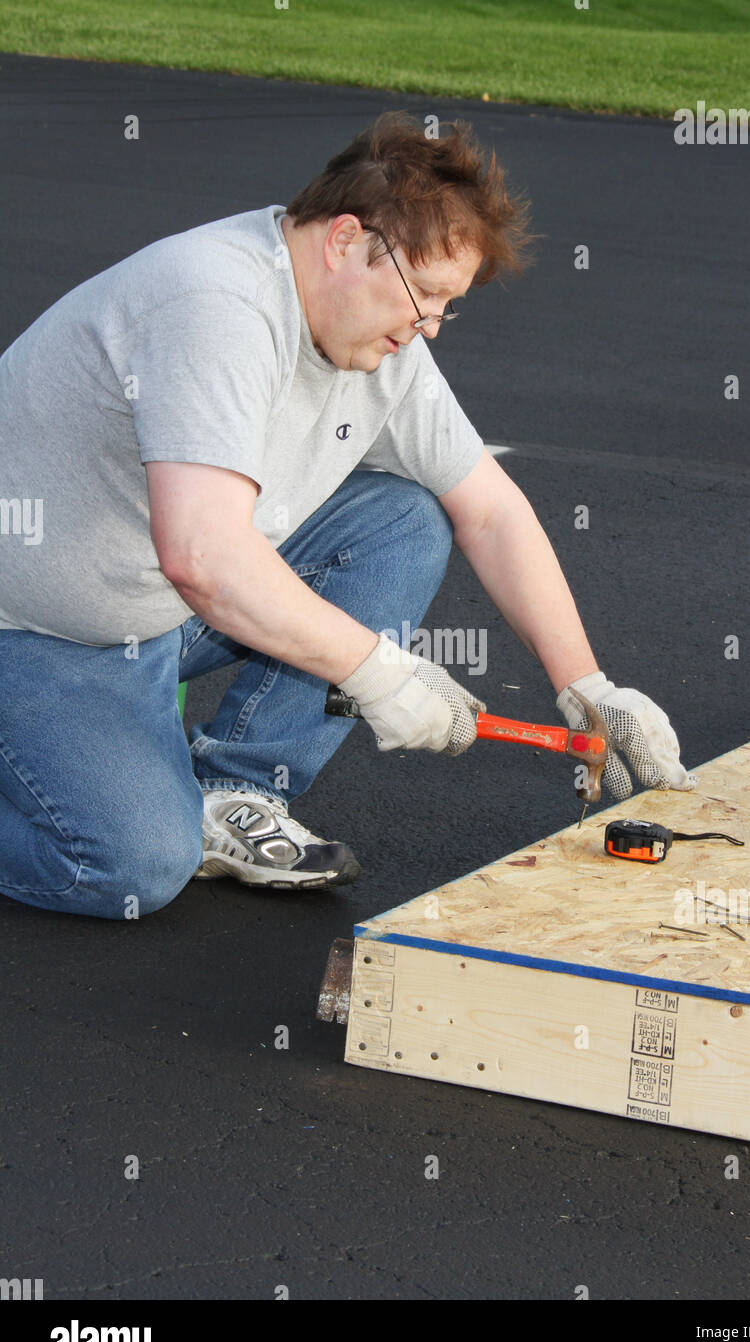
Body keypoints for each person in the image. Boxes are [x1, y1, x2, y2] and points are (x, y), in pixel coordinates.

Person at [0, 111, 695, 921]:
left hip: (155, 606)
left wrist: (587, 685)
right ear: (343, 241)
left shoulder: (378, 343)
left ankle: (237, 790)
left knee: (403, 519)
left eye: (447, 305)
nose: (429, 326)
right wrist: (376, 669)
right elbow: (203, 556)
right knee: (131, 866)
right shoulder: (216, 306)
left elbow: (491, 509)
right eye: (425, 295)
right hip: (42, 631)